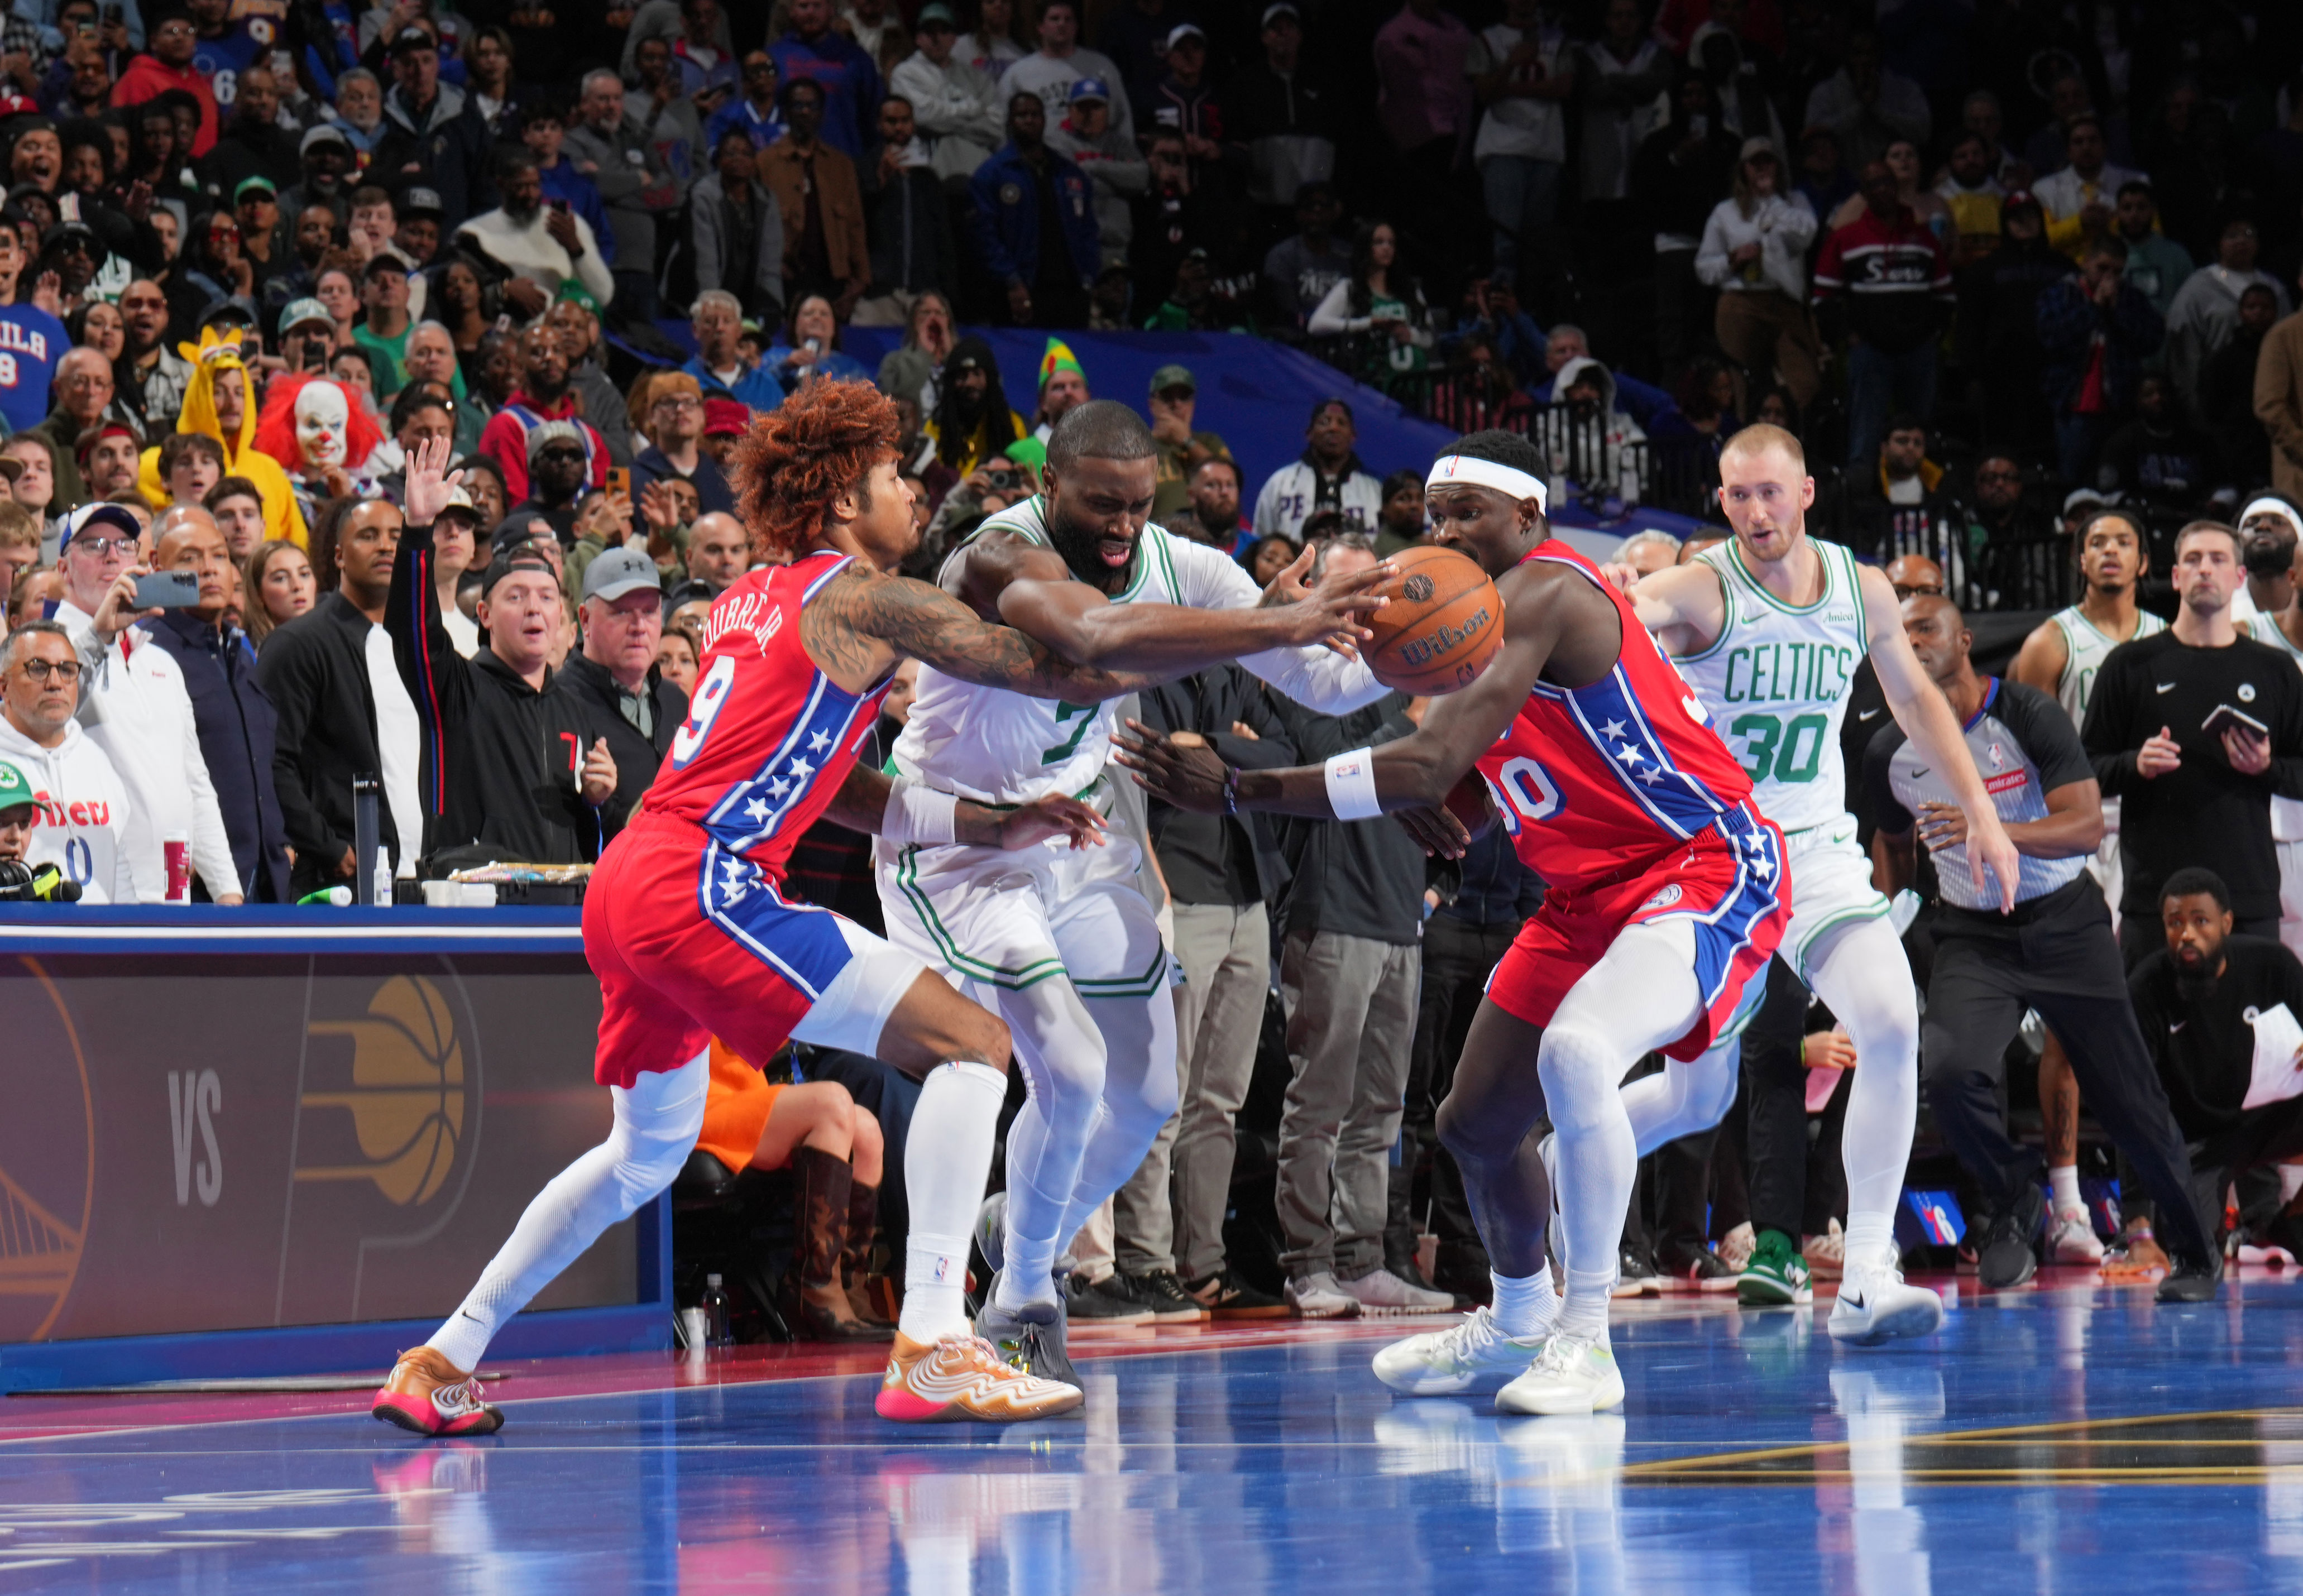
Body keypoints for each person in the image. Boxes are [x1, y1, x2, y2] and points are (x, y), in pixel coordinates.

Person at [368, 382, 1251, 1436]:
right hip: (705, 880)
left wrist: (988, 823)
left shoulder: (755, 597)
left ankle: (441, 1354)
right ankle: (932, 1336)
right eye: (889, 478)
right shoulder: (864, 596)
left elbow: (836, 785)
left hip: (631, 883)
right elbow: (1072, 664)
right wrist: (1273, 622)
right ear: (841, 499)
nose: (911, 494)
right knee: (972, 1040)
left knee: (644, 1155)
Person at [1117, 428, 1795, 1414]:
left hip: (1700, 861)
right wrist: (1475, 802)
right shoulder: (1475, 616)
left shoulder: (1549, 591)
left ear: (1529, 515)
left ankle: (1587, 1337)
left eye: (1469, 512)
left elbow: (1422, 763)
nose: (1446, 532)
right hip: (1585, 892)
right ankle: (1518, 1318)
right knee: (1475, 1124)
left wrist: (1240, 786)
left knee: (1577, 1052)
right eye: (1435, 515)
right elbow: (1480, 759)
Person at [878, 400, 1397, 1391]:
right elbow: (1090, 633)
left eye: (1138, 505)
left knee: (1147, 1092)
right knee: (1068, 1069)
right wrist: (1278, 614)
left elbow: (1316, 685)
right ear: (1050, 489)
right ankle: (1025, 1294)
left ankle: (1018, 1220)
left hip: (1080, 833)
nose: (1122, 525)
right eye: (1100, 504)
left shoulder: (1185, 564)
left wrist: (1402, 643)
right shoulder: (997, 555)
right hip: (965, 839)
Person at [1615, 421, 2017, 1319]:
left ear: (1804, 493)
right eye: (1738, 495)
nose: (1757, 511)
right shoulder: (1696, 585)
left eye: (1772, 492)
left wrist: (1984, 812)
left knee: (1887, 1019)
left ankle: (1869, 1267)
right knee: (1698, 1091)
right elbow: (1614, 617)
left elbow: (1914, 697)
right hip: (1716, 859)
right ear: (1719, 503)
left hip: (1815, 853)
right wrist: (1603, 598)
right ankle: (1567, 1158)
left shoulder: (1859, 585)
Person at [1874, 592, 2220, 1300]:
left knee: (2128, 1098)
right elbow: (1892, 843)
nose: (1912, 642)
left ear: (1964, 639)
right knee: (1948, 1072)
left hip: (2065, 919)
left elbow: (2086, 825)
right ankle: (2012, 1203)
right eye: (1898, 634)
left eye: (1925, 628)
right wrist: (1885, 918)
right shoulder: (1889, 751)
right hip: (1973, 933)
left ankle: (2193, 1251)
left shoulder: (2028, 714)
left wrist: (1991, 832)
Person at [2083, 521, 2303, 966]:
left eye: (2218, 559)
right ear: (2176, 576)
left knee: (2257, 1034)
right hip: (2155, 895)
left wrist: (2267, 767)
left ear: (2239, 578)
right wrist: (2134, 764)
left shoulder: (2275, 670)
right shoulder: (2129, 665)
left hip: (2246, 892)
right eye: (2193, 560)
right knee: (2149, 1034)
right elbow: (2084, 770)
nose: (2205, 569)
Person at [50, 500, 241, 904]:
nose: (111, 555)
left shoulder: (160, 661)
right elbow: (47, 719)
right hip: (89, 893)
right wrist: (98, 635)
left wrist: (227, 888)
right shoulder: (44, 648)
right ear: (63, 569)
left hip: (172, 892)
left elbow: (193, 779)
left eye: (124, 545)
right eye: (94, 544)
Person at [257, 497, 424, 897]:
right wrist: (329, 846)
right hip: (338, 882)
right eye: (369, 536)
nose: (386, 546)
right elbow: (271, 760)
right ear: (338, 556)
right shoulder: (297, 643)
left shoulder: (423, 646)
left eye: (396, 537)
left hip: (422, 876)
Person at [2133, 869, 2303, 1260]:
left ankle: (2289, 1223)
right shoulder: (2147, 989)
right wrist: (2137, 1227)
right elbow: (2132, 1106)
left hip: (2272, 1118)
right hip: (2201, 1143)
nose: (2186, 934)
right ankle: (2215, 1235)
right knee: (2194, 1252)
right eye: (2174, 923)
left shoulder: (2271, 964)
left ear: (2225, 922)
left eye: (2200, 921)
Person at [141, 504, 290, 903]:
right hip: (196, 883)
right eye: (190, 558)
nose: (208, 569)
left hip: (269, 879)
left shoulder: (240, 650)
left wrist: (281, 837)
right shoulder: (144, 650)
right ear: (157, 565)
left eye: (219, 556)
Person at [1813, 159, 1954, 468]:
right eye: (1874, 184)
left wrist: (1932, 335)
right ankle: (1863, 500)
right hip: (1870, 352)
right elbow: (1823, 297)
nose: (1883, 190)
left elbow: (1945, 294)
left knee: (1921, 432)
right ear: (1864, 193)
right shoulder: (1846, 239)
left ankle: (1925, 499)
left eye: (1888, 182)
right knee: (1865, 432)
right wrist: (1849, 337)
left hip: (1918, 350)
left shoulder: (1924, 238)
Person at [0, 617, 134, 900]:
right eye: (38, 669)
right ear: (4, 686)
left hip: (97, 941)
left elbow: (119, 873)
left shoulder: (97, 760)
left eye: (67, 670)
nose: (55, 682)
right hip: (18, 940)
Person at [557, 545, 683, 831]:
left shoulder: (677, 700)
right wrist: (595, 802)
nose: (639, 626)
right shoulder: (557, 703)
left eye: (650, 611)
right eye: (622, 612)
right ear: (585, 620)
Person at [1696, 137, 1821, 411]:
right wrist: (1733, 259)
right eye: (1755, 163)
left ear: (1778, 166)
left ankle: (1794, 442)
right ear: (1744, 169)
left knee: (1805, 384)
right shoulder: (1725, 213)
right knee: (1742, 385)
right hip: (1742, 301)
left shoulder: (1794, 202)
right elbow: (1704, 268)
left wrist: (1772, 201)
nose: (1762, 169)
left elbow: (1807, 234)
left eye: (1768, 162)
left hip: (1785, 301)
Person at [970, 92, 1098, 329]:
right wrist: (1011, 280)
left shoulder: (1067, 172)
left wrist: (1088, 278)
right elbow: (986, 236)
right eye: (1022, 115)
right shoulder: (992, 174)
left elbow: (1088, 230)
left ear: (1044, 120)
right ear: (1010, 122)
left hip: (1070, 289)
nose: (1029, 120)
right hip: (1023, 286)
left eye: (1035, 114)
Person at [756, 78, 868, 317]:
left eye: (813, 106)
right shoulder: (765, 162)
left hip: (832, 276)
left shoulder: (841, 164)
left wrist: (862, 278)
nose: (806, 112)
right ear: (785, 112)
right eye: (798, 106)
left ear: (822, 113)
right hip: (784, 275)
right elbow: (756, 225)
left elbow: (855, 224)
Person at [1252, 398, 1380, 541]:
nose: (1333, 428)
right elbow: (1262, 540)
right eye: (1324, 422)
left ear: (1353, 436)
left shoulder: (1374, 490)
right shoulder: (1280, 483)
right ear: (1309, 434)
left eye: (1342, 423)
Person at [630, 372, 733, 519]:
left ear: (702, 415)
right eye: (669, 403)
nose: (680, 410)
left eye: (689, 403)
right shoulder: (634, 479)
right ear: (652, 415)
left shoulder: (723, 481)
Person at [1145, 363, 1225, 525]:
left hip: (1209, 537)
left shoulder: (1209, 442)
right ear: (1153, 405)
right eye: (1168, 397)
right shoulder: (1140, 447)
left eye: (1184, 397)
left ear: (1192, 405)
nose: (1177, 404)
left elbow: (1227, 480)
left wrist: (1186, 441)